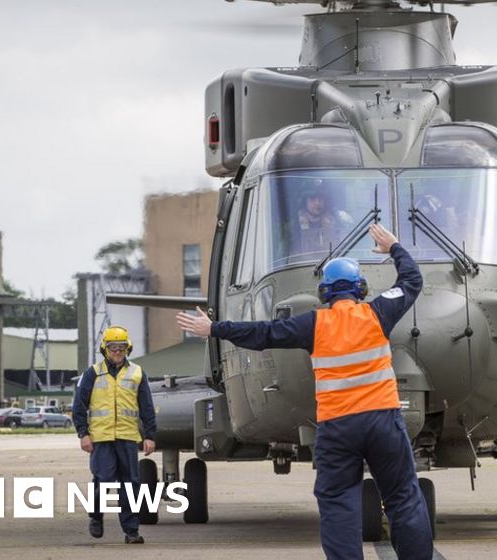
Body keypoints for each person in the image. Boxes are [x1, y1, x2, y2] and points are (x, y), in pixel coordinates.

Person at [176, 223, 432, 560]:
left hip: (338, 427)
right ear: (361, 289)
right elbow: (411, 282)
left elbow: (264, 333)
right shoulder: (377, 313)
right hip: (383, 420)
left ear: (325, 293)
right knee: (402, 496)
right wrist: (395, 247)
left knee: (339, 503)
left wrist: (214, 328)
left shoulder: (313, 324)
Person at [72, 325, 157, 544]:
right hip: (101, 438)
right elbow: (79, 406)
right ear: (105, 349)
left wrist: (150, 435)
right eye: (113, 348)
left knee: (130, 484)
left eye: (121, 347)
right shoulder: (92, 373)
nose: (117, 352)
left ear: (127, 348)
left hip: (127, 437)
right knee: (104, 480)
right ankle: (96, 516)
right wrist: (83, 433)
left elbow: (147, 406)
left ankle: (131, 531)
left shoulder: (137, 373)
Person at [296, 183, 354, 253]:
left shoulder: (338, 221)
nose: (317, 203)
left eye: (321, 198)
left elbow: (347, 248)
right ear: (304, 201)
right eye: (312, 199)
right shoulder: (295, 224)